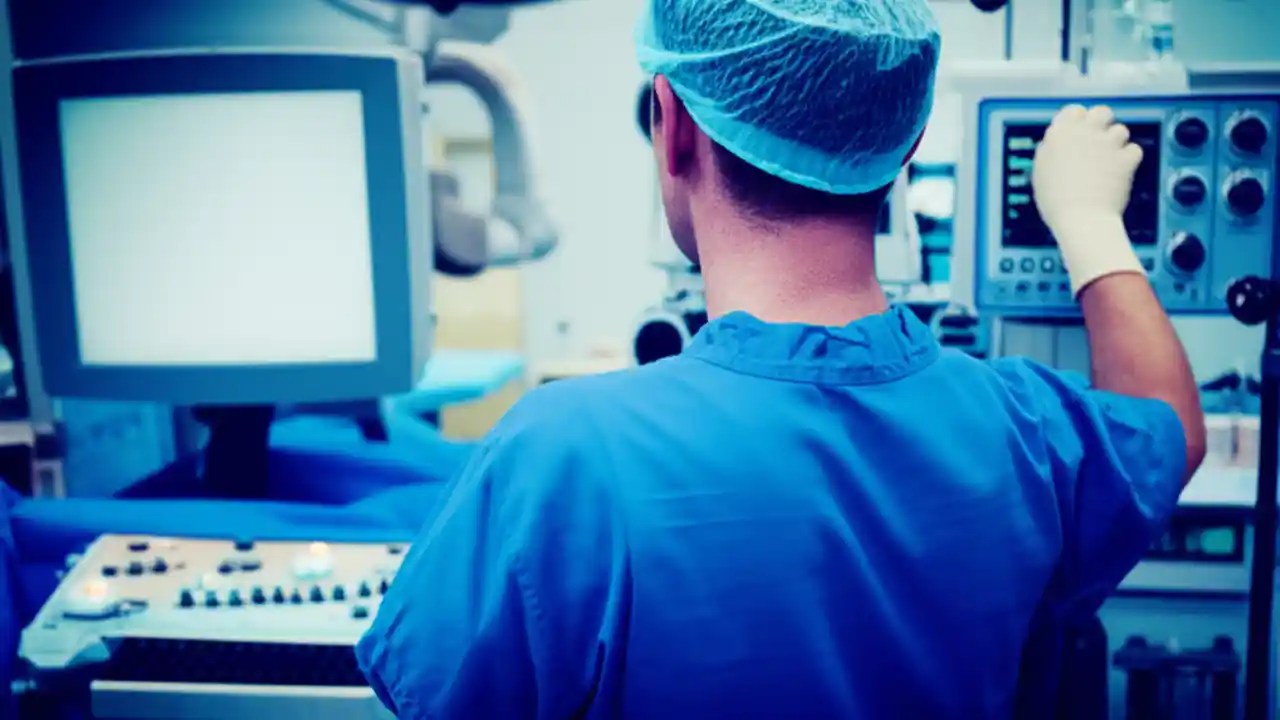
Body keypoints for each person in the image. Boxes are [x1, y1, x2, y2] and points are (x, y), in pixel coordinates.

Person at [357, 0, 1207, 716]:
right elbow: (1168, 428)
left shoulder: (562, 457)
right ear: (903, 147)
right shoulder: (1027, 432)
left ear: (674, 128)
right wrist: (1091, 224)